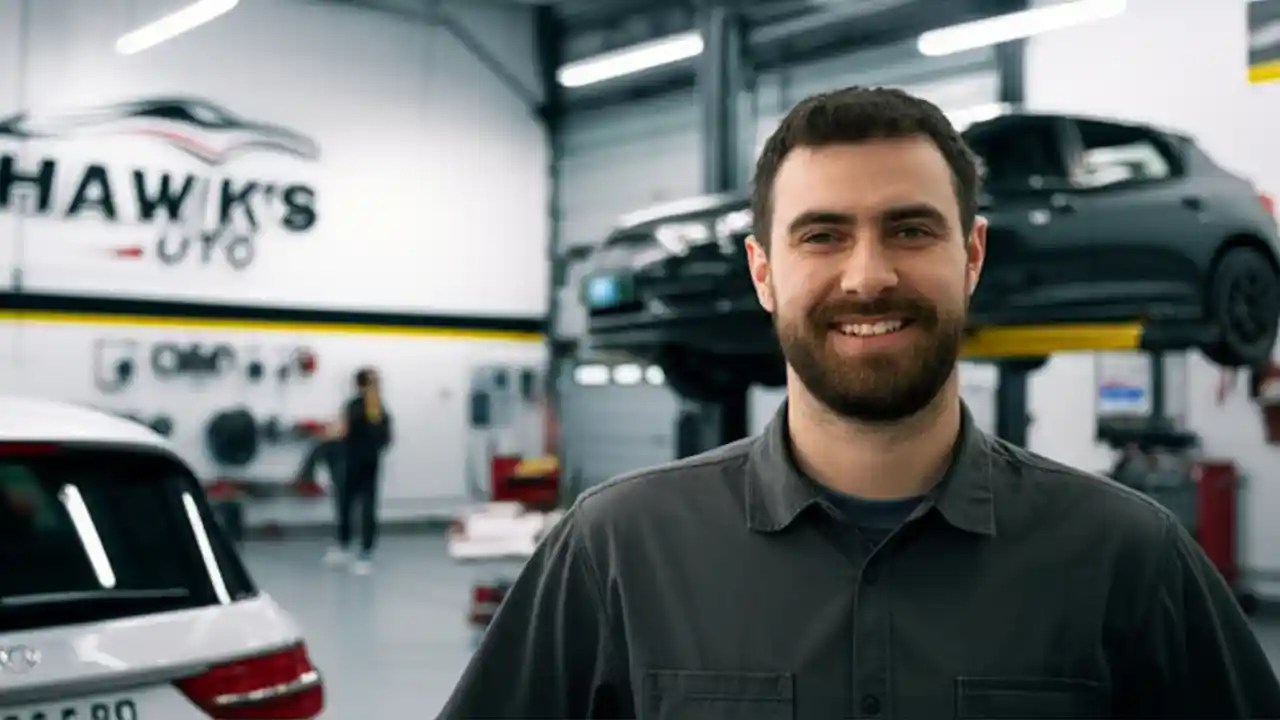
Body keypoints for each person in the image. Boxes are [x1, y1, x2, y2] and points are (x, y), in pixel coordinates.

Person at [438, 87, 1280, 719]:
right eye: (822, 235)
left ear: (972, 257)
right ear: (762, 272)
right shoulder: (618, 551)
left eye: (910, 230)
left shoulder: (1128, 558)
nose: (868, 275)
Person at [323, 367, 392, 575]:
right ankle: (359, 550)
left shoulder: (363, 406)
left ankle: (357, 549)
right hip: (367, 461)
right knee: (362, 505)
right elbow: (386, 438)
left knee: (350, 504)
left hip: (354, 461)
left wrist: (332, 434)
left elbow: (341, 430)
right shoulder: (377, 407)